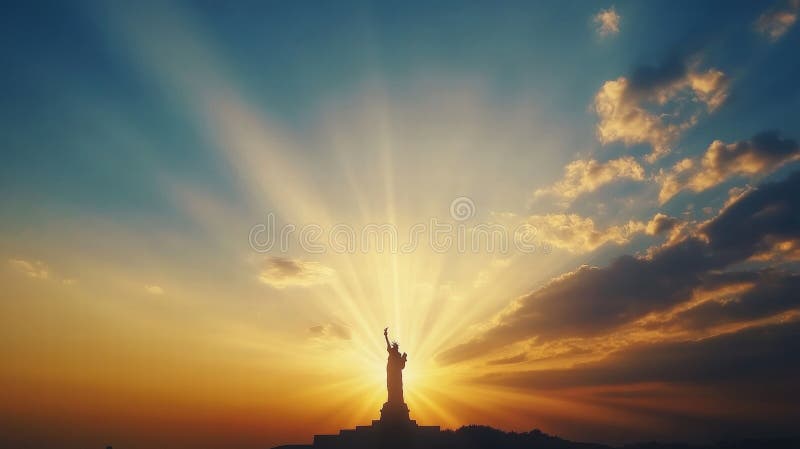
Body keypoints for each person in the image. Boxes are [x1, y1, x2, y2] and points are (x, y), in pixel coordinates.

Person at [383, 327, 407, 404]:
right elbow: (388, 344)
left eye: (396, 348)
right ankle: (392, 401)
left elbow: (401, 366)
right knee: (391, 387)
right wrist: (386, 336)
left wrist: (404, 358)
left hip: (397, 375)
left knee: (398, 387)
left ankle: (397, 401)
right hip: (391, 374)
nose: (396, 349)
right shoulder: (392, 353)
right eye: (395, 347)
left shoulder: (398, 355)